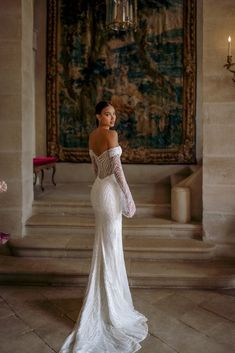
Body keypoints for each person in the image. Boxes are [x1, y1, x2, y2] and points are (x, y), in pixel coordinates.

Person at [59, 101, 148, 353]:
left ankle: (107, 300)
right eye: (107, 114)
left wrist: (105, 189)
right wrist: (128, 197)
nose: (112, 118)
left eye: (114, 115)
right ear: (98, 115)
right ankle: (111, 307)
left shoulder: (92, 136)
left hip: (98, 190)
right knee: (110, 245)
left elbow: (94, 168)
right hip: (109, 190)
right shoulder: (110, 135)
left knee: (105, 244)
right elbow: (117, 171)